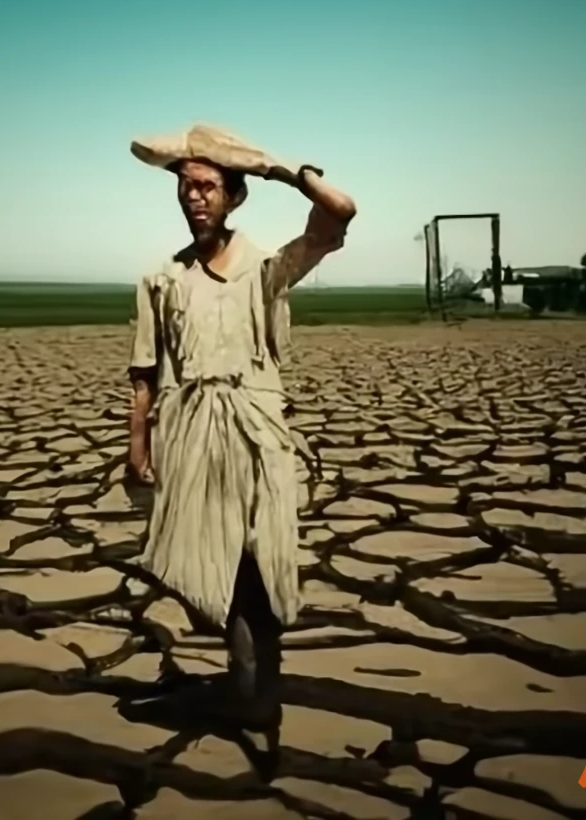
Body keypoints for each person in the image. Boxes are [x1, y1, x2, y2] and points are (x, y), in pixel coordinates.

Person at [126, 124, 356, 727]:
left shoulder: (266, 269)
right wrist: (137, 445)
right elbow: (145, 372)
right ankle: (245, 689)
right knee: (218, 575)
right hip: (194, 437)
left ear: (233, 195)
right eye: (184, 186)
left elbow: (340, 213)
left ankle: (261, 696)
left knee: (263, 567)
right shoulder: (163, 280)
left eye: (206, 185)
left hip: (257, 437)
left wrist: (273, 167)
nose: (194, 197)